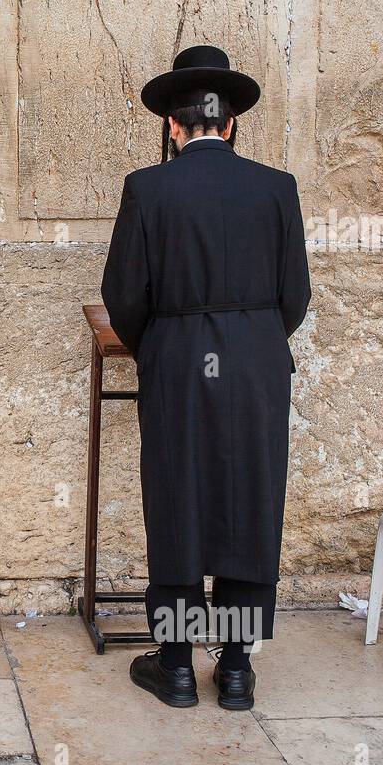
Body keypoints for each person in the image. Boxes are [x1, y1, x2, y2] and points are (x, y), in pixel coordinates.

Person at [100, 45, 311, 710]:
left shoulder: (148, 187)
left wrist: (159, 345)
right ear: (233, 123)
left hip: (178, 359)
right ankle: (240, 669)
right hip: (256, 362)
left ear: (173, 125)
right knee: (250, 503)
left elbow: (124, 293)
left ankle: (177, 666)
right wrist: (250, 340)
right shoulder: (277, 187)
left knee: (178, 504)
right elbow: (295, 295)